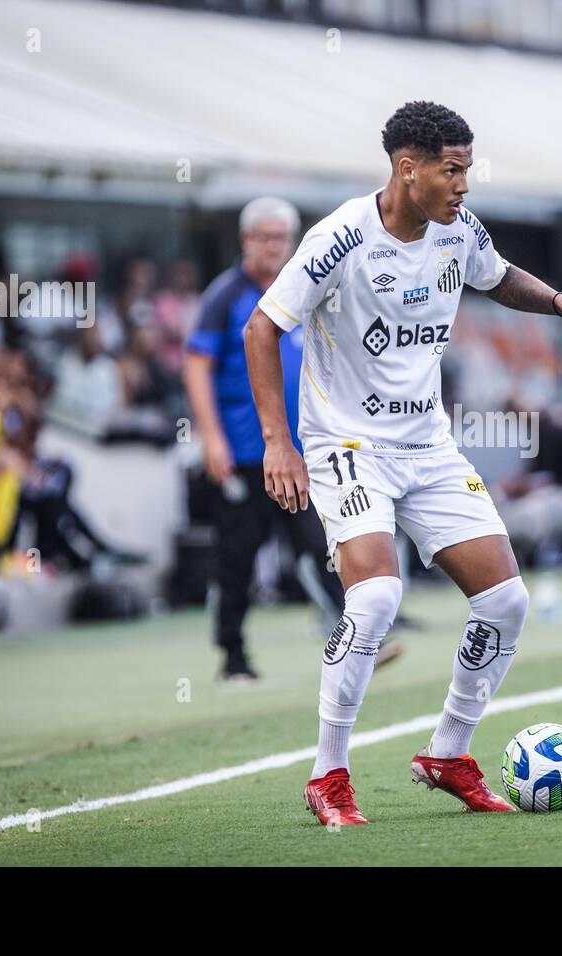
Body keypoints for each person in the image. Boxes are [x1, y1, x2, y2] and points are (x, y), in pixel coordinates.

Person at [243, 101, 562, 825]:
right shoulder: (340, 238)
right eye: (453, 170)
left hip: (428, 445)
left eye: (468, 169)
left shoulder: (457, 231)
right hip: (346, 448)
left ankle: (447, 752)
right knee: (377, 599)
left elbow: (498, 275)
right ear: (407, 169)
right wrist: (276, 441)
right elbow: (263, 327)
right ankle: (328, 775)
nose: (464, 184)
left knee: (506, 601)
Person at [184, 197, 357, 684]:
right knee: (237, 557)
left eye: (282, 237)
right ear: (246, 241)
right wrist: (211, 438)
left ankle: (354, 643)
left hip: (303, 454)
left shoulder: (303, 287)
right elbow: (196, 367)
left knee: (324, 543)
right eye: (265, 237)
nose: (274, 246)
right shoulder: (226, 296)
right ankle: (233, 656)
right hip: (244, 454)